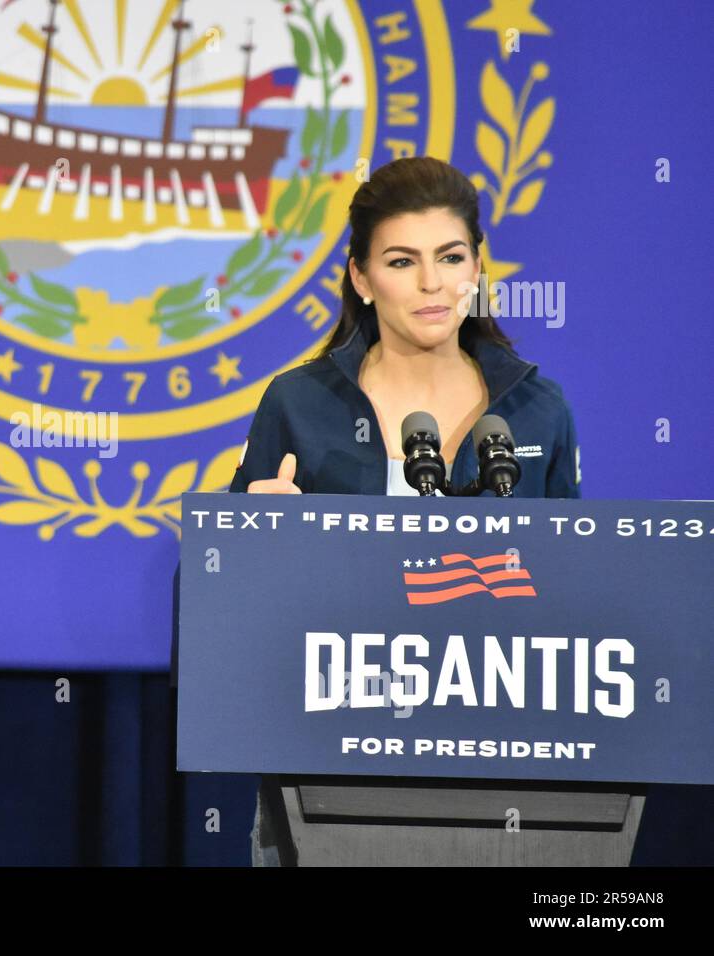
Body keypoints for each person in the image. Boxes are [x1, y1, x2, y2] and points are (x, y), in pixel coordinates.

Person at [229, 156, 582, 865]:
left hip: (508, 775)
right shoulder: (299, 406)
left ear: (477, 265)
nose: (432, 284)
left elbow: (574, 600)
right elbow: (228, 615)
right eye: (401, 260)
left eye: (451, 257)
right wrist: (248, 543)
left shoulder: (537, 408)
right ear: (360, 277)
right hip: (325, 772)